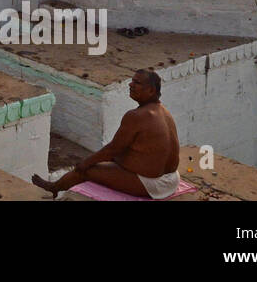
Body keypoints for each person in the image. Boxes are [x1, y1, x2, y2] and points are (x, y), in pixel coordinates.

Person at [32, 70, 182, 199]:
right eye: (132, 81)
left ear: (151, 91)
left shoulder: (136, 116)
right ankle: (57, 185)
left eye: (137, 83)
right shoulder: (163, 111)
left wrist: (85, 163)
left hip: (153, 185)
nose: (130, 85)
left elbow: (112, 150)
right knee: (112, 160)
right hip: (173, 179)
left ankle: (54, 187)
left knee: (86, 170)